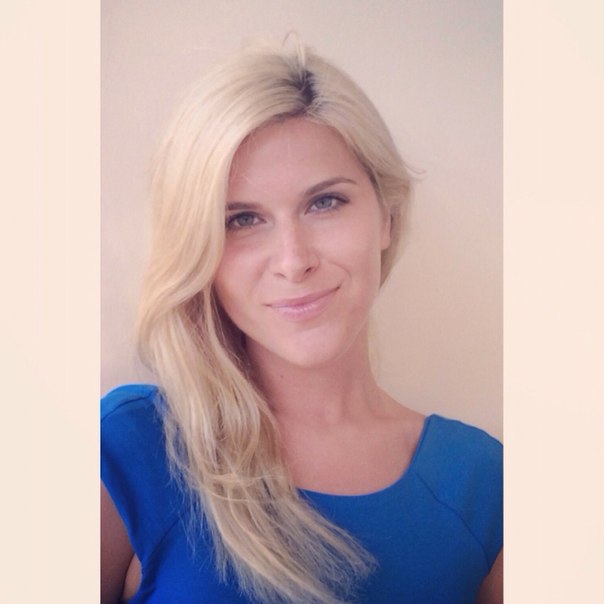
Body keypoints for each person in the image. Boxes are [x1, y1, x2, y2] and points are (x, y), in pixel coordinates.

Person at [101, 38, 503, 604]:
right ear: (200, 249)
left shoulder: (482, 481)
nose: (294, 261)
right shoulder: (132, 448)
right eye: (242, 220)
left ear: (386, 218)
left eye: (325, 203)